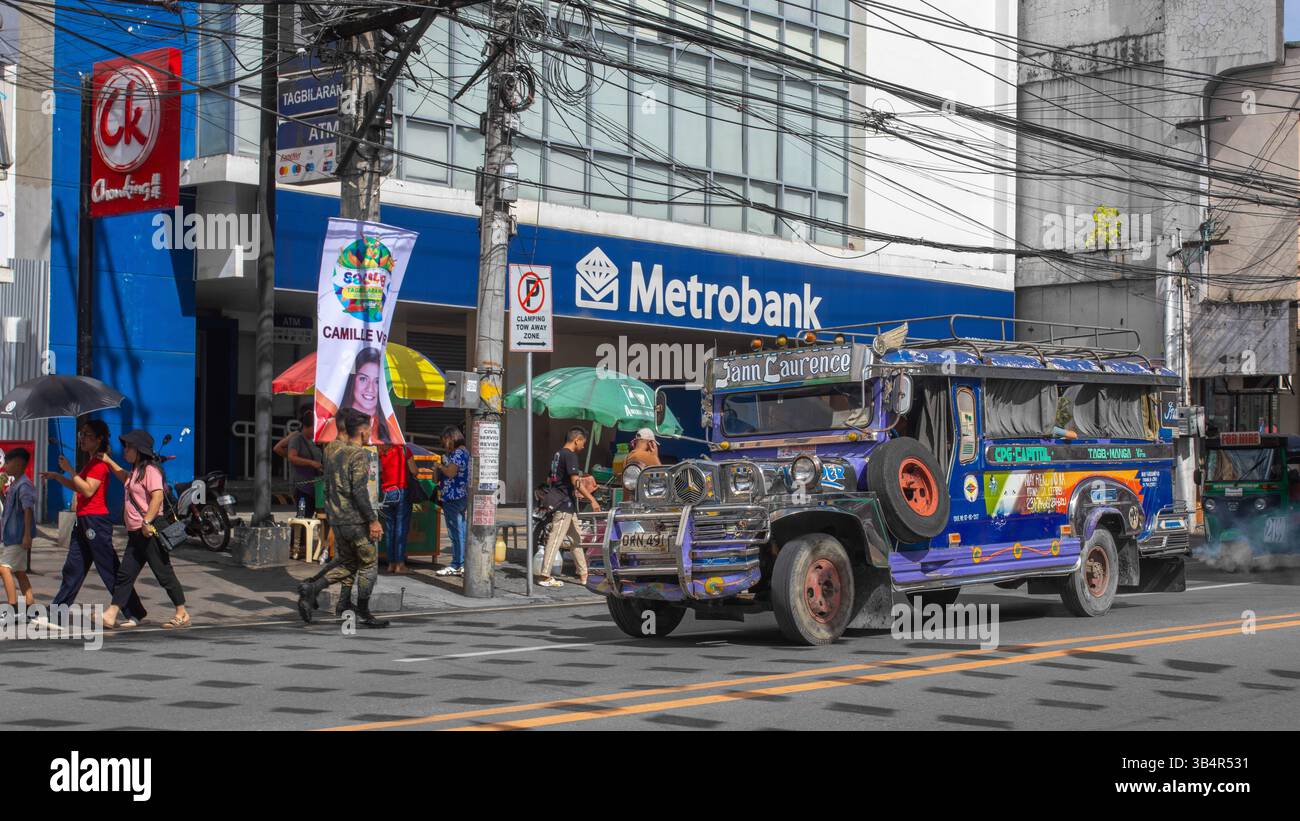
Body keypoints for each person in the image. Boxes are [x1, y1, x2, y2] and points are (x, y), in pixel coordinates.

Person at [43, 420, 147, 626]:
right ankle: (58, 612)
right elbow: (78, 486)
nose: (82, 438)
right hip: (83, 520)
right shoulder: (91, 462)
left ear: (99, 439)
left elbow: (89, 490)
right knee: (73, 568)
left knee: (108, 568)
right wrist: (58, 476)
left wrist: (70, 470)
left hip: (96, 521)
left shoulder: (100, 465)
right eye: (81, 434)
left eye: (87, 434)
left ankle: (133, 611)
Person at [296, 409, 388, 627]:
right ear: (363, 432)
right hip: (355, 519)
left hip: (336, 518)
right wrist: (373, 520)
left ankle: (323, 593)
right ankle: (363, 610)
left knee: (347, 563)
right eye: (369, 430)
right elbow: (359, 491)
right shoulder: (358, 455)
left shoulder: (331, 450)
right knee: (368, 564)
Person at [99, 430, 190, 630]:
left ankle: (181, 612)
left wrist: (147, 521)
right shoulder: (135, 471)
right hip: (136, 533)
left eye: (128, 447)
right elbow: (125, 478)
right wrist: (108, 461)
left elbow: (157, 497)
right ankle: (111, 613)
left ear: (139, 450)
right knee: (125, 574)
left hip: (149, 532)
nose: (125, 450)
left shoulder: (150, 470)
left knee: (163, 572)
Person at [537, 427, 600, 589]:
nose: (583, 447)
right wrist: (591, 499)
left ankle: (584, 574)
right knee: (556, 538)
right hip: (564, 503)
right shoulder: (570, 455)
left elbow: (549, 477)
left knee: (576, 539)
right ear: (577, 440)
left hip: (565, 502)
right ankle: (545, 575)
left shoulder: (557, 455)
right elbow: (575, 482)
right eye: (583, 443)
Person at [1, 447, 37, 614]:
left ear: (18, 464)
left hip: (18, 536)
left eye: (7, 463)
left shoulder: (24, 485)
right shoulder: (15, 483)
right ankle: (31, 607)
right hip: (11, 536)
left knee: (4, 568)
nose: (5, 466)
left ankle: (13, 608)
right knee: (19, 571)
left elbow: (27, 509)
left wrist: (27, 535)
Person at [274, 407, 324, 518]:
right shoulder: (296, 438)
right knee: (303, 516)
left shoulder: (313, 440)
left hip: (314, 485)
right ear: (308, 426)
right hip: (301, 486)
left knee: (313, 515)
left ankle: (305, 535)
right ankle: (298, 536)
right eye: (315, 427)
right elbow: (292, 457)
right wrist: (311, 463)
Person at [434, 425, 469, 577]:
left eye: (445, 441)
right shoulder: (462, 452)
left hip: (454, 497)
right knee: (460, 531)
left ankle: (457, 563)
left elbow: (450, 473)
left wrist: (440, 466)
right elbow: (437, 479)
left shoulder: (458, 453)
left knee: (456, 532)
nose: (445, 445)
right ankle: (462, 563)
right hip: (459, 496)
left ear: (451, 438)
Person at [377, 440, 417, 574]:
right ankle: (400, 564)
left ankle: (391, 564)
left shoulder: (380, 451)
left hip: (386, 493)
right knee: (401, 528)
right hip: (401, 491)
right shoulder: (404, 450)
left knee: (390, 528)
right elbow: (414, 470)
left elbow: (381, 472)